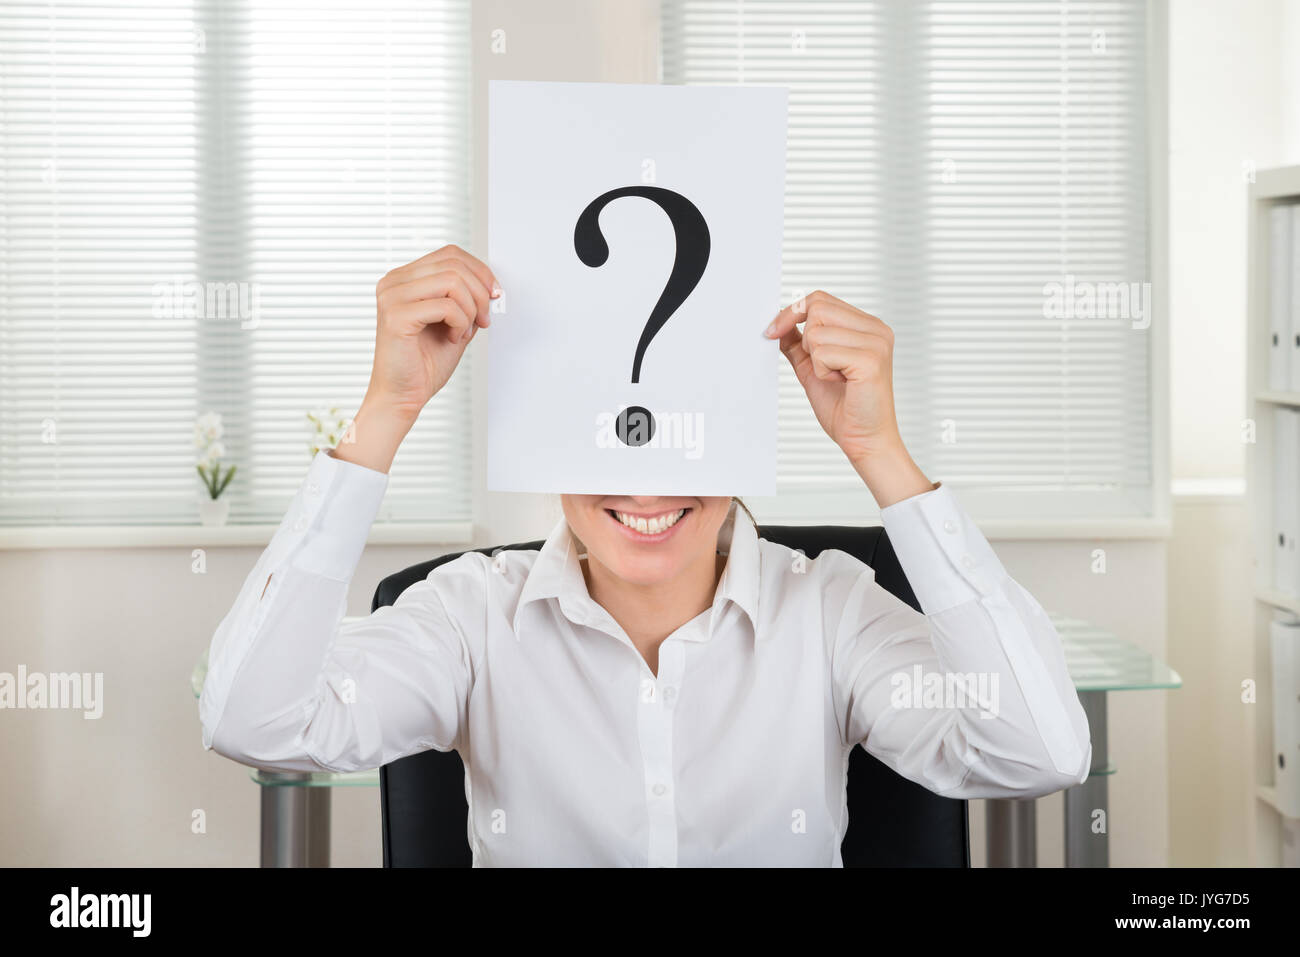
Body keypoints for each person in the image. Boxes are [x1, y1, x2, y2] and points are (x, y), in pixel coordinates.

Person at [198, 244, 1091, 867]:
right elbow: (255, 721)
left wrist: (881, 453)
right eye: (612, 435)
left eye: (683, 438)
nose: (648, 483)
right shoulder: (470, 613)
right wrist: (386, 408)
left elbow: (1038, 750)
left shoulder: (829, 609)